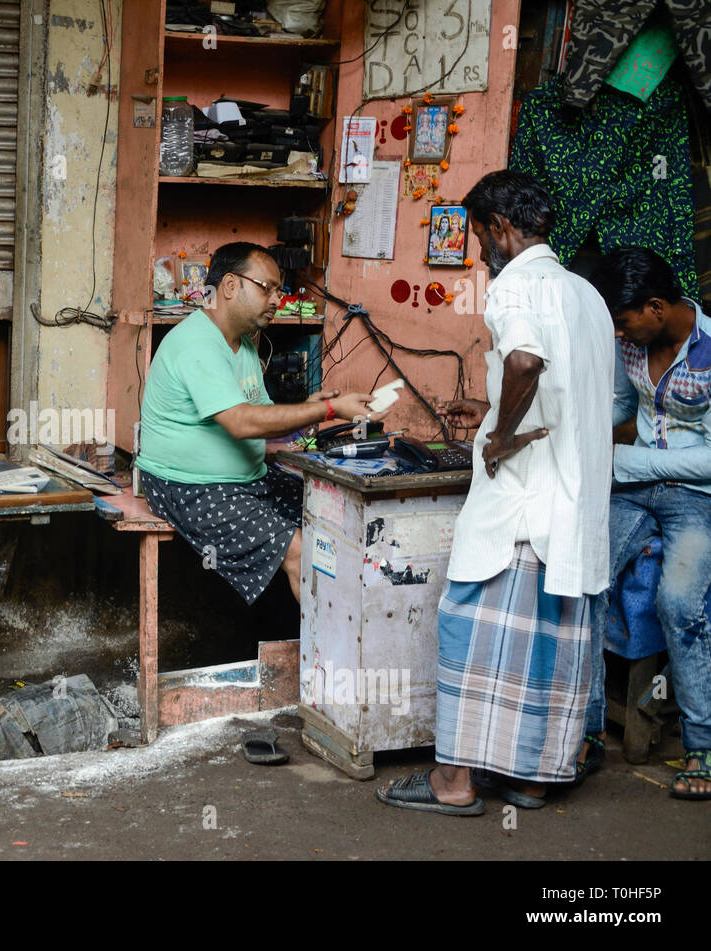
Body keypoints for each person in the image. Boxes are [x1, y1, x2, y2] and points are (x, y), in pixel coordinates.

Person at [376, 170, 614, 815]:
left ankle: (454, 783)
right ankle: (534, 778)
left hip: (522, 508)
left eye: (482, 237)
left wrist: (501, 435)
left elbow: (525, 362)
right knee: (550, 646)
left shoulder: (514, 287)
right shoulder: (586, 293)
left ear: (503, 229)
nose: (482, 251)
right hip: (575, 509)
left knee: (469, 631)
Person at [135, 241, 380, 607]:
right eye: (268, 287)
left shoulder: (243, 345)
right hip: (187, 487)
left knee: (332, 517)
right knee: (300, 551)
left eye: (279, 290)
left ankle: (336, 629)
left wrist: (310, 411)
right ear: (231, 286)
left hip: (245, 479)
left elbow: (263, 417)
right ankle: (326, 658)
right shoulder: (197, 343)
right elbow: (241, 422)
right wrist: (326, 410)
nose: (276, 299)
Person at [586, 246, 711, 800]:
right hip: (633, 490)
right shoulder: (632, 345)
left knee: (680, 604)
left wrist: (631, 462)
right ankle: (583, 728)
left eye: (622, 320)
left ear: (657, 307)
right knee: (582, 579)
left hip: (695, 495)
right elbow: (618, 408)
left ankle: (702, 746)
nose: (617, 333)